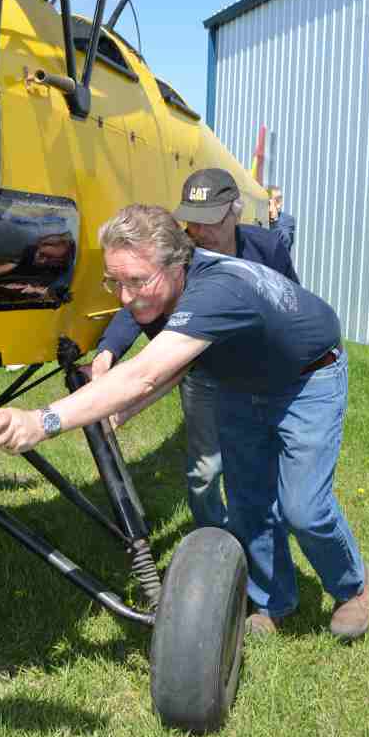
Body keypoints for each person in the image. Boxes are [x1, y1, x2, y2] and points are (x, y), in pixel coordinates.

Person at [0, 204, 369, 640]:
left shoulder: (216, 291)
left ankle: (352, 587)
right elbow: (179, 366)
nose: (126, 297)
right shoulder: (168, 291)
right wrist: (118, 408)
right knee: (248, 503)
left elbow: (145, 373)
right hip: (239, 383)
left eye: (137, 280)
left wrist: (44, 420)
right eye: (116, 281)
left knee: (304, 508)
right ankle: (272, 601)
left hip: (306, 378)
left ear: (176, 263)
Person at [90, 168, 298, 529]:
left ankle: (256, 539)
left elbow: (290, 301)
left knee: (260, 462)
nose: (200, 232)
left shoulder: (267, 248)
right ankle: (209, 541)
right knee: (206, 469)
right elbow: (140, 298)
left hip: (258, 372)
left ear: (236, 211)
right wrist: (109, 349)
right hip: (201, 370)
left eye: (210, 221)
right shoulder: (181, 252)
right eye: (193, 221)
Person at [267, 185, 296, 253]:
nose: (280, 204)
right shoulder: (260, 217)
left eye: (280, 199)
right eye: (277, 200)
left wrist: (274, 220)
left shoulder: (288, 220)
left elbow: (285, 243)